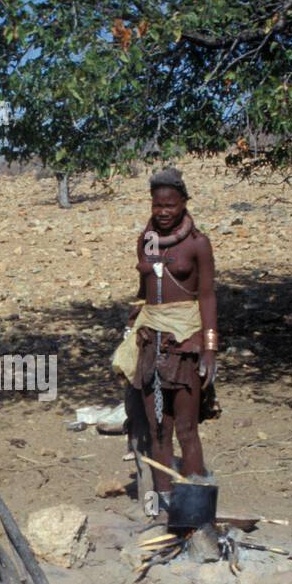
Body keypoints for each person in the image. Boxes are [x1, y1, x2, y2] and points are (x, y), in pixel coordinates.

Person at [112, 167, 218, 515]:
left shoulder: (198, 243)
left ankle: (195, 507)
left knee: (186, 428)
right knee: (158, 429)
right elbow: (143, 294)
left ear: (184, 203)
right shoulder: (146, 241)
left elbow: (207, 297)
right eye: (157, 205)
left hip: (186, 342)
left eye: (170, 205)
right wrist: (133, 326)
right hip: (151, 341)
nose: (163, 211)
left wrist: (210, 347)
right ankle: (163, 506)